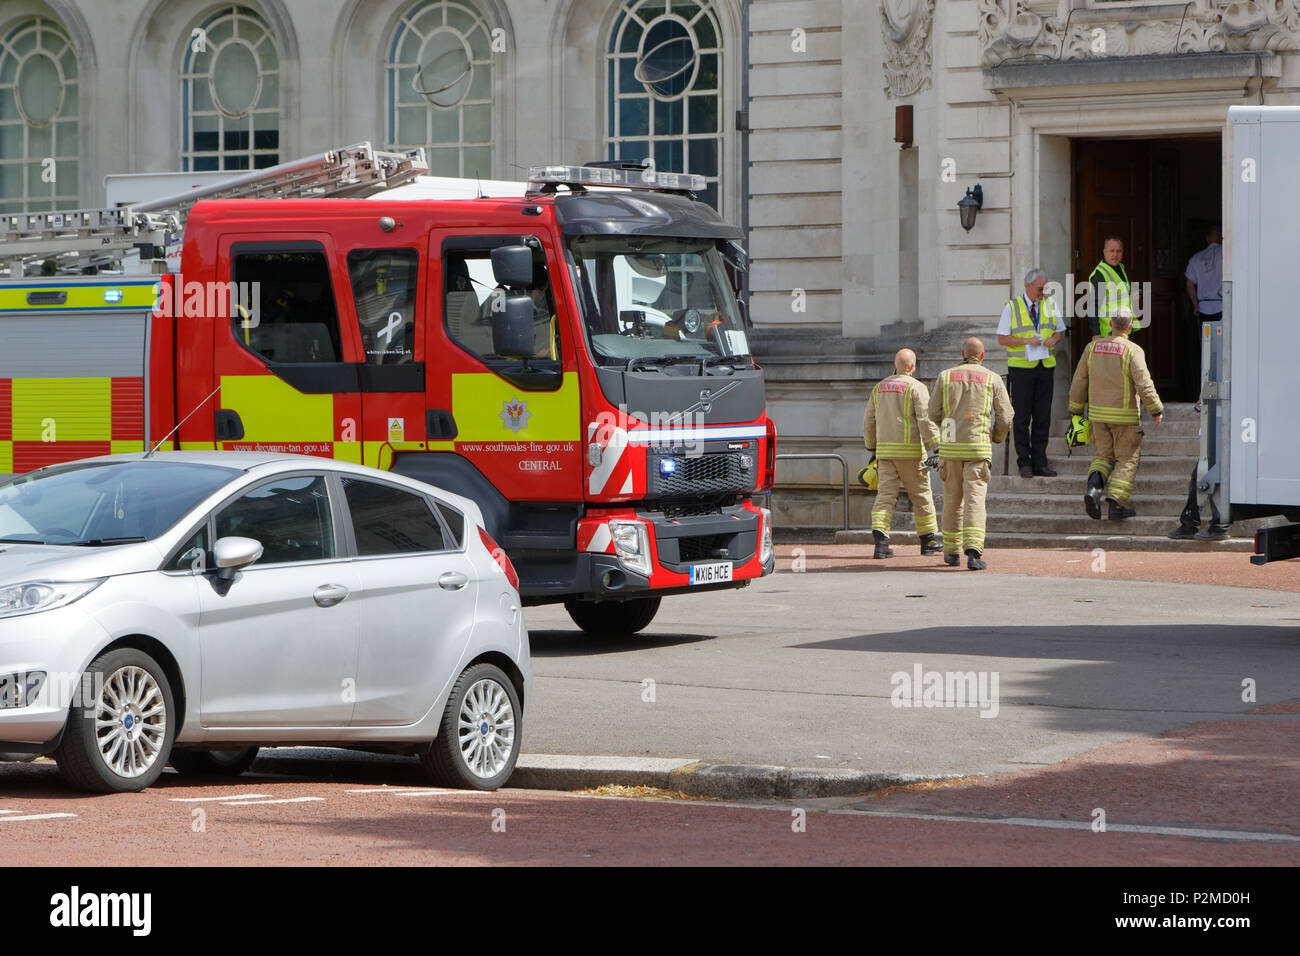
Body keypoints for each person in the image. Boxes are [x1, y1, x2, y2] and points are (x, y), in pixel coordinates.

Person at [928, 337, 1014, 570]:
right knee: (975, 500)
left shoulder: (945, 376)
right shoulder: (992, 378)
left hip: (950, 446)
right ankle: (974, 552)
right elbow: (1006, 416)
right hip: (978, 448)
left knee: (952, 500)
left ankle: (951, 551)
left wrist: (949, 427)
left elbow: (933, 413)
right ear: (982, 356)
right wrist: (995, 437)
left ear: (961, 353)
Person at [1068, 312, 1163, 520]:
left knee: (1104, 456)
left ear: (1110, 324)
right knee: (1127, 459)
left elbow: (1079, 380)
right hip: (1125, 417)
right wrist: (1156, 408)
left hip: (1098, 416)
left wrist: (1075, 409)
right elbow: (1143, 383)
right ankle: (1116, 505)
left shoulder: (1092, 348)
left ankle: (1093, 490)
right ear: (1129, 328)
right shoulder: (1132, 350)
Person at [1169, 224, 1227, 540]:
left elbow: (1189, 282)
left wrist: (1194, 304)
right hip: (1222, 305)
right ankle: (1211, 521)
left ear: (1207, 236)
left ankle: (1210, 521)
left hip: (1205, 306)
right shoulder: (1229, 255)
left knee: (1206, 357)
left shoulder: (1196, 258)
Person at [863, 348, 942, 559]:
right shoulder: (917, 388)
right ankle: (928, 541)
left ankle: (881, 544)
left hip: (885, 453)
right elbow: (926, 420)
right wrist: (937, 446)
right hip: (911, 454)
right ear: (913, 366)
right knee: (922, 496)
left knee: (885, 497)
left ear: (895, 364)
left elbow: (869, 421)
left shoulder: (880, 388)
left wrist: (872, 448)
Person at [996, 267, 1063, 478]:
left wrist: (1054, 339)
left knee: (1043, 417)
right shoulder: (1012, 307)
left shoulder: (1050, 304)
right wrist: (1026, 341)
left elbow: (1059, 330)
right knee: (1022, 417)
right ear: (1028, 286)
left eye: (1044, 288)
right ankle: (1024, 462)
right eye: (1040, 289)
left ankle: (1040, 462)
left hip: (1045, 366)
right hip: (1022, 369)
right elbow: (1002, 338)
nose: (1043, 292)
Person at [1089, 236, 1138, 340]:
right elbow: (1093, 306)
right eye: (1112, 251)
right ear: (1104, 252)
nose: (1115, 254)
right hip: (1107, 333)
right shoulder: (1100, 274)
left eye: (1118, 251)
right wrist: (1096, 333)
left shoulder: (1120, 267)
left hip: (1122, 330)